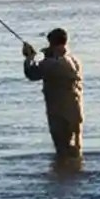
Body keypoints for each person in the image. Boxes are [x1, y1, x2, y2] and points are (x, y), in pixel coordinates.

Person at [23, 28, 83, 160]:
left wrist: (29, 58)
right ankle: (73, 174)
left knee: (62, 151)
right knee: (74, 150)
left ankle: (64, 176)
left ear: (53, 44)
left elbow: (32, 74)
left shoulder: (54, 63)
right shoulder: (73, 60)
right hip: (74, 111)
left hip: (59, 113)